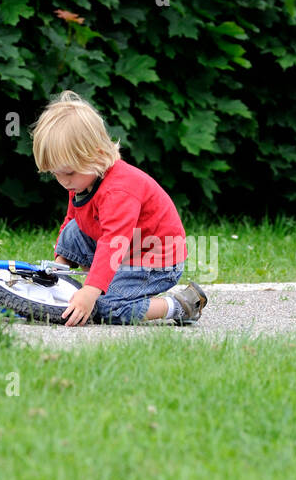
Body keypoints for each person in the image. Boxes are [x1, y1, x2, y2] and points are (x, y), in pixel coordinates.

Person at [29, 90, 208, 327]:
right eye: (55, 173)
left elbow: (114, 242)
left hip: (155, 260)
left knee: (105, 307)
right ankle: (91, 283)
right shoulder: (84, 179)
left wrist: (92, 291)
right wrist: (58, 266)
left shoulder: (118, 191)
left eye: (69, 173)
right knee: (72, 230)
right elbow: (73, 220)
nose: (63, 181)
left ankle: (181, 306)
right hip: (124, 249)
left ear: (96, 154)